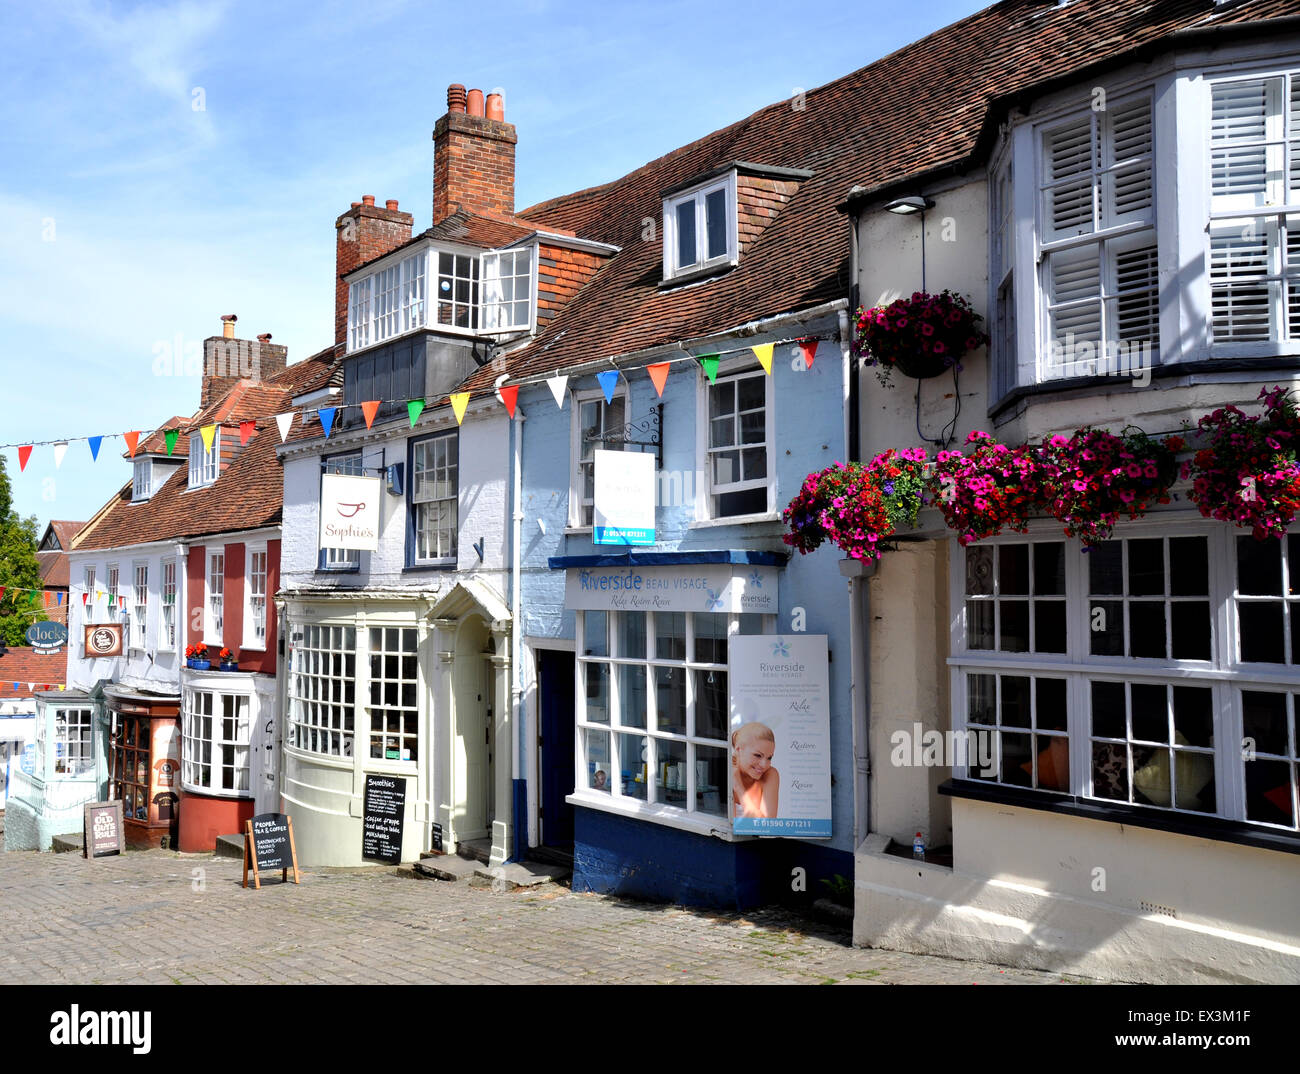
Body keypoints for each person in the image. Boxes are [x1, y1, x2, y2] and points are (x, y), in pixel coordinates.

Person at [731, 722, 779, 818]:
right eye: (758, 755)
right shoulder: (726, 768)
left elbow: (767, 825)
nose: (764, 764)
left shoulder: (770, 774)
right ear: (738, 749)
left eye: (769, 758)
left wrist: (738, 787)